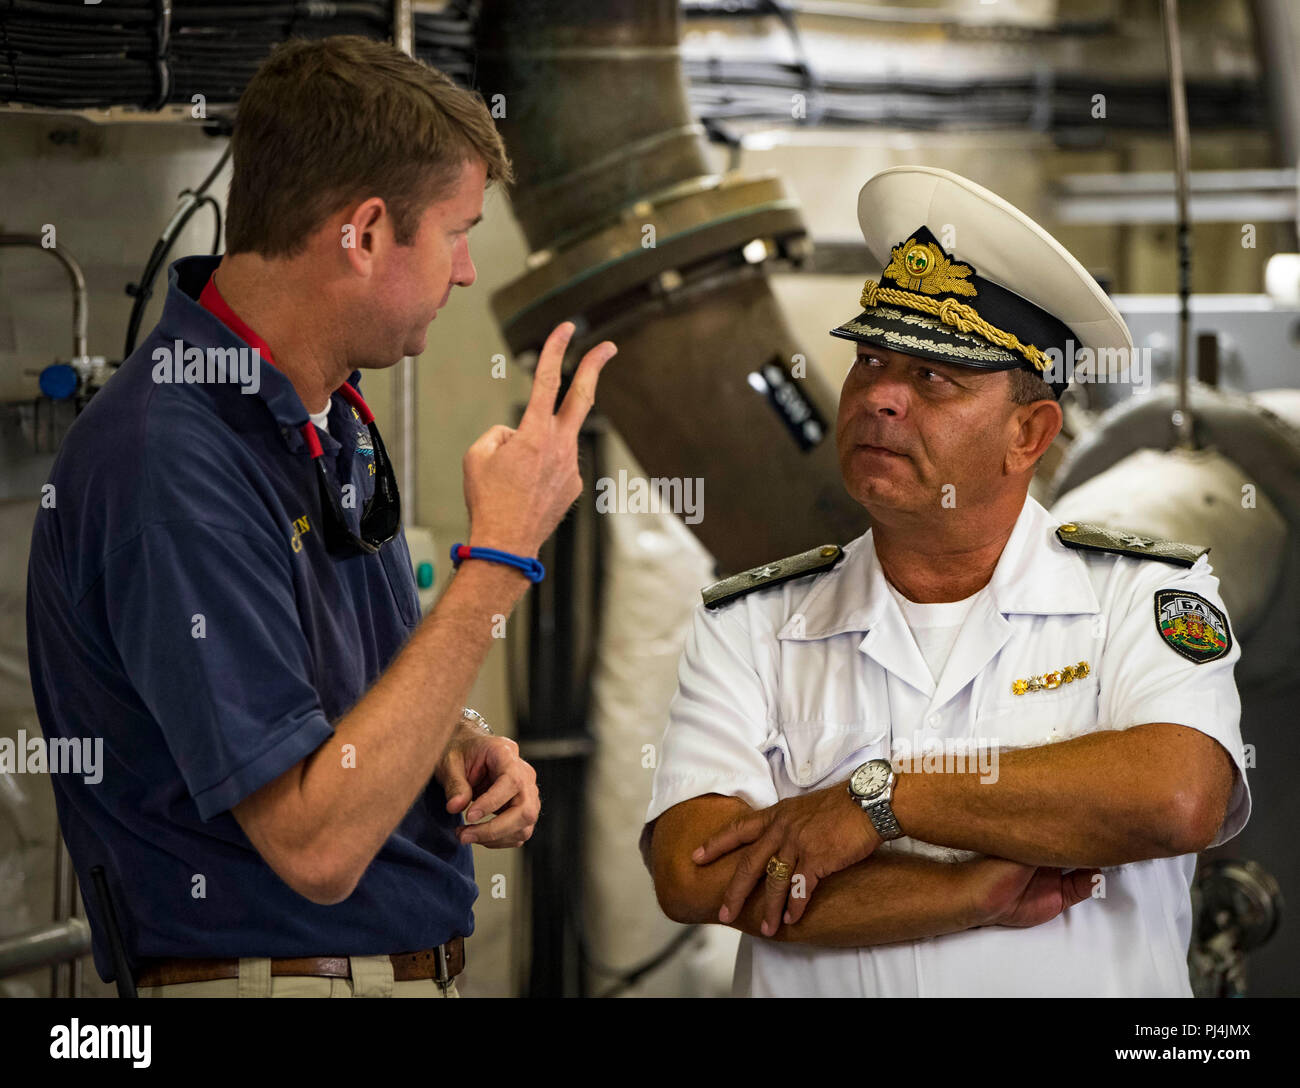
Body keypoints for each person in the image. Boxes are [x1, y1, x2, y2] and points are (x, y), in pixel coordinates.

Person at [26, 36, 615, 998]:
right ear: (367, 232)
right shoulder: (172, 459)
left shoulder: (315, 415)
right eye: (457, 233)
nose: (466, 272)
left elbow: (330, 711)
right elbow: (317, 844)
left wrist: (452, 740)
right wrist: (501, 555)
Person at [642, 165, 1249, 997]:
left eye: (933, 378)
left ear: (1029, 432)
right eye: (870, 361)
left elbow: (1179, 796)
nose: (880, 398)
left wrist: (880, 803)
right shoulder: (755, 622)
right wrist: (968, 893)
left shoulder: (1137, 599)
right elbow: (696, 871)